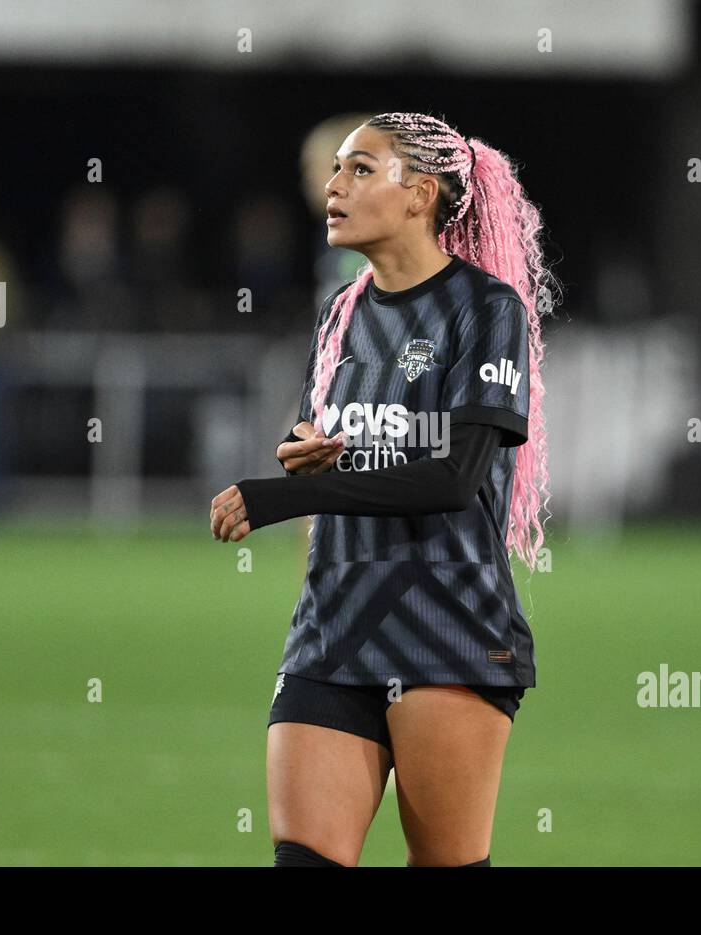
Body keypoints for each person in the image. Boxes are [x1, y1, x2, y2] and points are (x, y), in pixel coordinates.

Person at [210, 113, 556, 867]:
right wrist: (306, 458)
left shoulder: (486, 310)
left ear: (419, 194)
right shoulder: (340, 313)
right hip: (333, 626)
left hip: (449, 629)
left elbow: (453, 473)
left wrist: (286, 495)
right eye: (335, 170)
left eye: (360, 170)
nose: (334, 187)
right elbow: (335, 448)